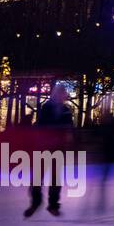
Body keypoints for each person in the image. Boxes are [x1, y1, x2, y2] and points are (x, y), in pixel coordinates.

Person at [24, 84, 75, 218]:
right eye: (60, 94)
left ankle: (53, 205)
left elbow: (70, 129)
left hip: (58, 149)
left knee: (55, 179)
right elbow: (41, 126)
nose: (62, 96)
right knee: (37, 178)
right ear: (55, 94)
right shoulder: (46, 108)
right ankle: (36, 202)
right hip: (44, 148)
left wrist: (69, 139)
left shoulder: (66, 110)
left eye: (63, 94)